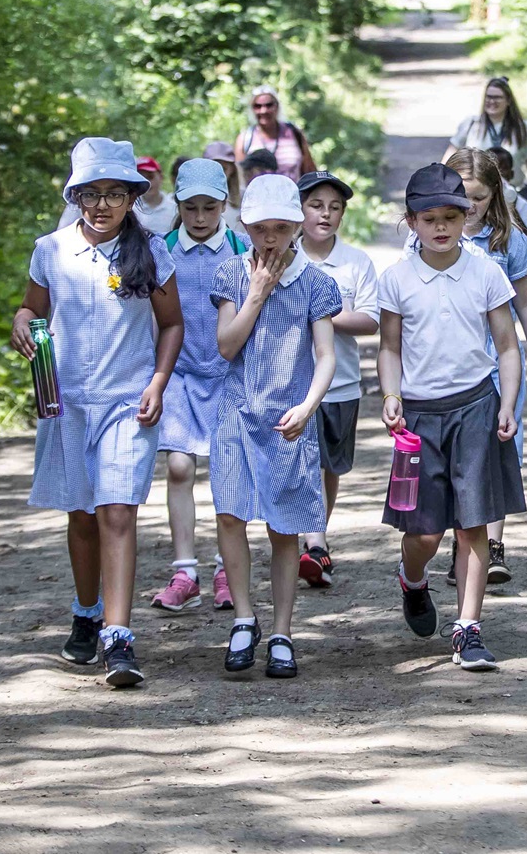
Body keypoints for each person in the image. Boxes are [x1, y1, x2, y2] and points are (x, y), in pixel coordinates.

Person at [12, 137, 181, 689]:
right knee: (81, 516)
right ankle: (86, 613)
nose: (102, 204)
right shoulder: (51, 250)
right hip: (67, 403)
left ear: (133, 196)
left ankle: (119, 636)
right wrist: (20, 322)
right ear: (75, 196)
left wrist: (158, 382)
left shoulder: (151, 250)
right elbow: (33, 310)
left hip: (127, 404)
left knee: (117, 513)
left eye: (114, 193)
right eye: (91, 193)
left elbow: (172, 323)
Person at [378, 164, 524, 671]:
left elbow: (507, 346)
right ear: (411, 222)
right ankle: (412, 579)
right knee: (423, 534)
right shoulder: (397, 278)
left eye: (451, 216)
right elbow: (390, 347)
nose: (440, 227)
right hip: (418, 418)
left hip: (476, 408)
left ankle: (468, 630)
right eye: (428, 218)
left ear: (467, 217)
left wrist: (507, 403)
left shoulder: (485, 270)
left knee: (472, 525)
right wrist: (391, 394)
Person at [209, 174, 341, 679]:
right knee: (229, 516)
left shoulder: (315, 282)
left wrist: (309, 405)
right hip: (236, 415)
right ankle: (244, 617)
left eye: (280, 227)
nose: (270, 238)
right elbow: (227, 345)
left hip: (289, 420)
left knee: (285, 529)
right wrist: (257, 293)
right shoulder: (231, 275)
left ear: (296, 227)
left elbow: (325, 355)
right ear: (244, 225)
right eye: (260, 228)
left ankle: (283, 630)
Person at [440, 149, 527, 588]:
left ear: (495, 195)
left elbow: (524, 301)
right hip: (449, 365)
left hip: (499, 364)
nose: (469, 208)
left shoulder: (509, 240)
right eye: (461, 197)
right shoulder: (433, 237)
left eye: (479, 198)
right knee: (456, 457)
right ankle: (462, 542)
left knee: (501, 450)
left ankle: (495, 545)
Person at [148, 160, 248, 615]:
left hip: (230, 375)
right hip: (181, 376)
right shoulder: (160, 250)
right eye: (192, 208)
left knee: (228, 473)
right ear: (178, 206)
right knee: (180, 469)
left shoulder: (243, 248)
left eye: (211, 207)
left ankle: (229, 569)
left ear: (225, 206)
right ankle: (185, 571)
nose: (202, 217)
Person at [293, 170, 380, 586]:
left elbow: (370, 320)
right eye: (315, 205)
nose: (325, 214)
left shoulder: (356, 262)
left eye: (335, 207)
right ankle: (316, 545)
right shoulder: (283, 256)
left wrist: (323, 314)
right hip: (291, 385)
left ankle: (314, 540)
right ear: (299, 210)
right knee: (304, 464)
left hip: (342, 383)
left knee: (331, 468)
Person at [446, 76, 527, 222]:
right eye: (488, 96)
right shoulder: (471, 126)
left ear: (508, 100)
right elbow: (449, 161)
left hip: (514, 198)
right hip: (477, 199)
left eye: (497, 97)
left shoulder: (523, 129)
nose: (492, 101)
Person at [237, 85, 317, 180]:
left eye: (269, 105)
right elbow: (239, 178)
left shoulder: (294, 133)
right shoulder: (245, 139)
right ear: (252, 109)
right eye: (258, 106)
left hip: (294, 193)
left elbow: (310, 170)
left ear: (277, 106)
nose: (263, 110)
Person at [482, 146, 527, 233]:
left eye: (503, 169)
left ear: (511, 174)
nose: (499, 175)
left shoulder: (521, 205)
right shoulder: (476, 202)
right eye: (493, 170)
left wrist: (511, 208)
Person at [133, 156, 178, 234]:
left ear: (161, 177)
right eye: (141, 178)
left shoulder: (174, 209)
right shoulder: (132, 210)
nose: (147, 183)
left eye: (151, 177)